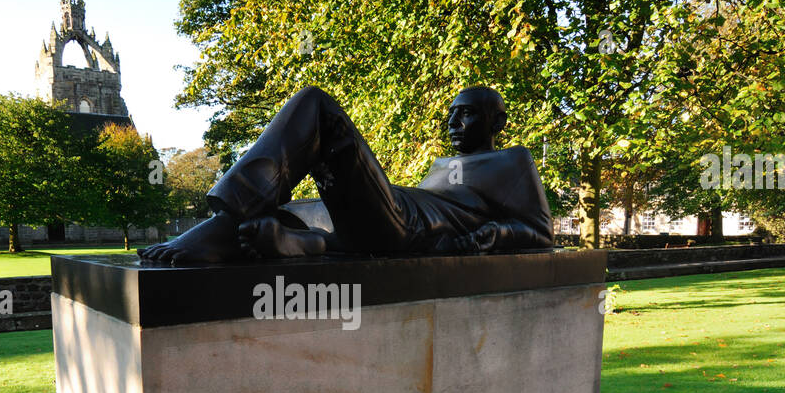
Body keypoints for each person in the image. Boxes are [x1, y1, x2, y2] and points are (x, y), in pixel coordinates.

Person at [137, 85, 552, 264]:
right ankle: (298, 241)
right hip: (395, 210)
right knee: (296, 205)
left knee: (317, 108)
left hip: (408, 225)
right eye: (451, 114)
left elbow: (541, 231)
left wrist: (498, 235)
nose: (454, 122)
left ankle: (224, 222)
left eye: (467, 114)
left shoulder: (512, 161)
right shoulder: (443, 166)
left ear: (496, 122)